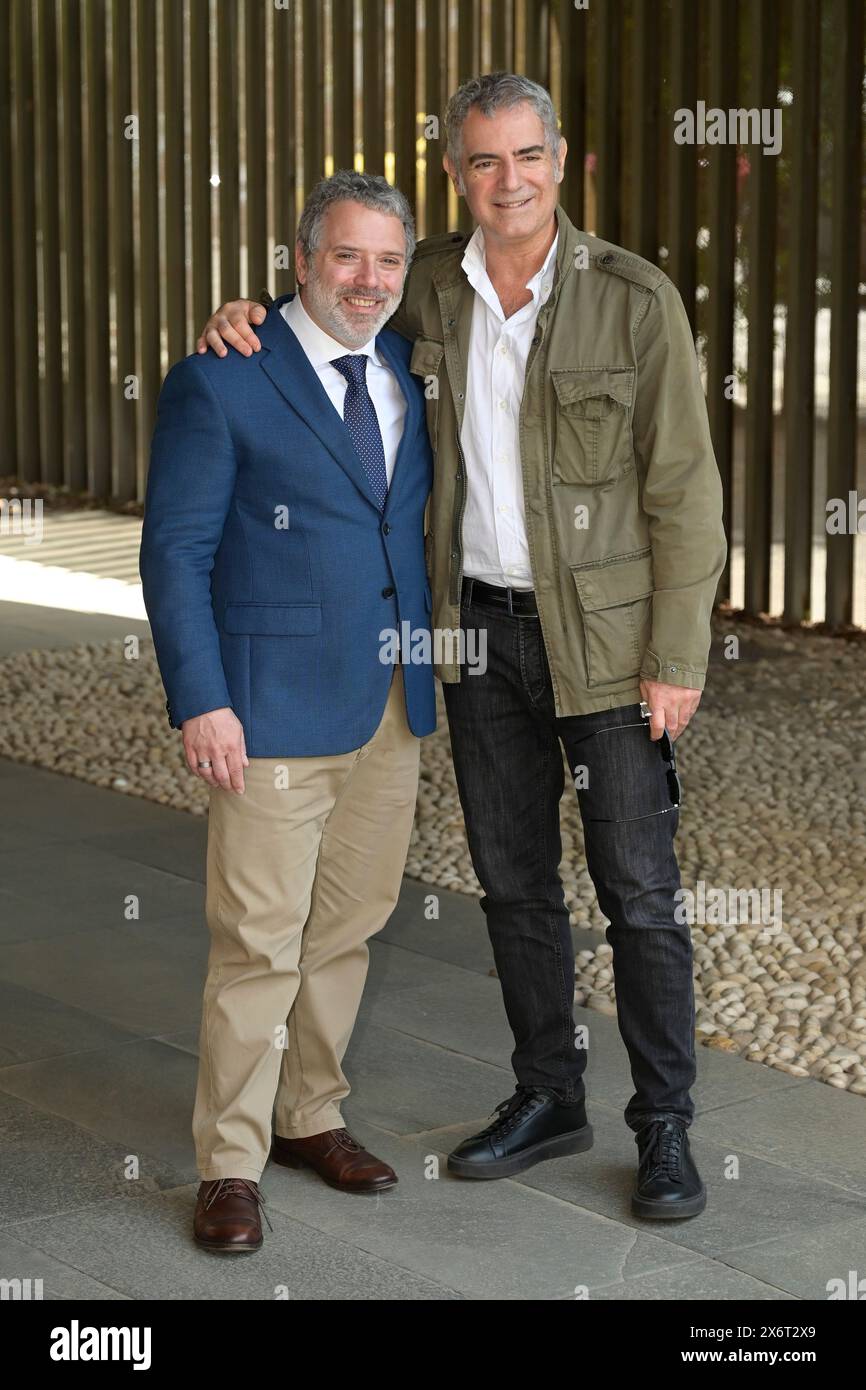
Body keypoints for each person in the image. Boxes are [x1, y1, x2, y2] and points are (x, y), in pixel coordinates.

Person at [195, 72, 727, 1220]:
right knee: (513, 884)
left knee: (637, 891)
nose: (507, 181)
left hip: (609, 644)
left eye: (524, 156)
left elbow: (685, 492)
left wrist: (677, 653)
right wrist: (237, 312)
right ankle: (548, 1093)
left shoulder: (633, 301)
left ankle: (663, 1125)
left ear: (560, 158)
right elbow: (331, 302)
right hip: (473, 634)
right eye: (481, 162)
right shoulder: (426, 284)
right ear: (456, 174)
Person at [140, 172, 436, 1252]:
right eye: (346, 257)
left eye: (387, 261)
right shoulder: (223, 375)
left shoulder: (409, 367)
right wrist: (202, 699)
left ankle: (309, 1112)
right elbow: (175, 549)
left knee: (347, 928)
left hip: (392, 702)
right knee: (257, 941)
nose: (367, 280)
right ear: (302, 259)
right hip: (264, 710)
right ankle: (228, 1160)